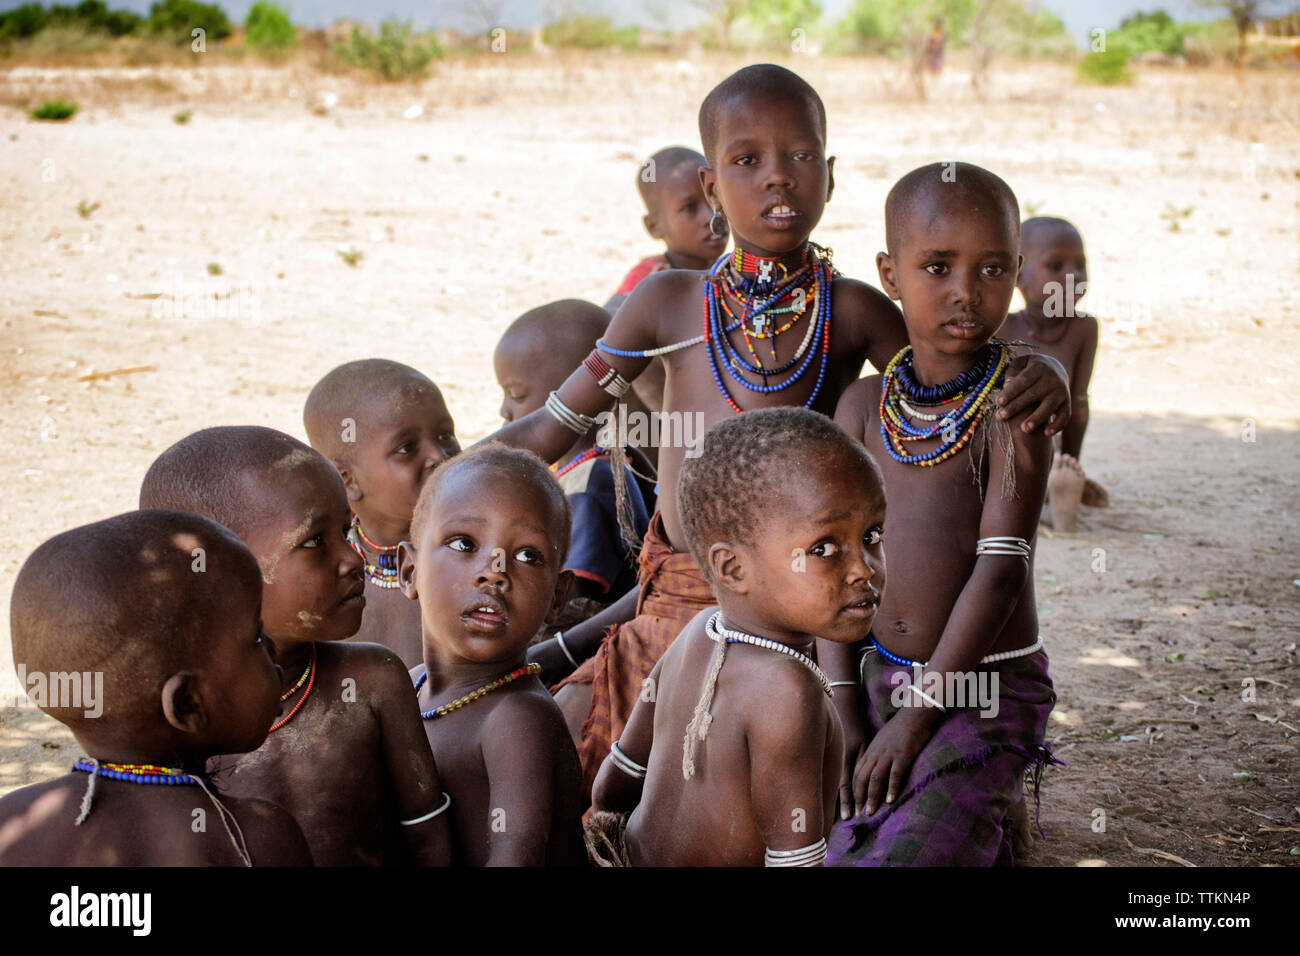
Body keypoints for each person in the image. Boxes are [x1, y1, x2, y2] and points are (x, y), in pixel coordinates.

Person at [487, 63, 1071, 801]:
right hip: (675, 596)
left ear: (828, 176)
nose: (777, 179)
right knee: (555, 748)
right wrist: (451, 481)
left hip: (801, 608)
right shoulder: (664, 303)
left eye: (799, 158)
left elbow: (951, 377)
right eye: (746, 160)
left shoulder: (854, 310)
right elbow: (557, 425)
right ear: (708, 184)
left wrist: (1039, 366)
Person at [828, 162, 1060, 866]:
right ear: (890, 275)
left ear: (1016, 272)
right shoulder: (864, 409)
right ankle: (990, 823)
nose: (966, 292)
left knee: (910, 855)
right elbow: (834, 564)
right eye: (937, 266)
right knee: (829, 841)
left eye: (993, 269)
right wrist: (842, 712)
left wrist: (918, 720)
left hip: (984, 685)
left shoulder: (1013, 407)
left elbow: (999, 575)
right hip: (875, 675)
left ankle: (984, 804)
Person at [139, 426, 453, 866]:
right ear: (212, 573)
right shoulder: (178, 714)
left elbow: (428, 837)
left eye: (347, 531)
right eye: (314, 541)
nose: (351, 559)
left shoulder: (373, 679)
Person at [590, 408, 885, 866]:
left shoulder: (696, 632)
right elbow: (795, 861)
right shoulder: (789, 691)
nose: (864, 568)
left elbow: (614, 783)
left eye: (872, 535)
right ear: (732, 568)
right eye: (823, 548)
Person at [0, 510, 312, 866]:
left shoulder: (13, 824)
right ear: (188, 705)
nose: (271, 647)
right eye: (255, 637)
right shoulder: (257, 837)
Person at [398, 444, 585, 865]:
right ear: (410, 573)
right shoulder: (410, 687)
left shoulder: (517, 719)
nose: (495, 571)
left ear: (558, 597)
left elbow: (514, 856)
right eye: (464, 543)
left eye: (527, 556)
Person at [304, 359, 461, 668]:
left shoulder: (472, 558)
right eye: (406, 448)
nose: (439, 457)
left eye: (445, 435)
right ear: (347, 481)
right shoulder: (320, 577)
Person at [494, 299, 651, 605]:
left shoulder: (589, 486)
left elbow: (573, 600)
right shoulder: (607, 461)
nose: (504, 410)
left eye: (515, 395)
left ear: (579, 392)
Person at [1001, 215, 1107, 531]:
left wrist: (1071, 465)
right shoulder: (1003, 327)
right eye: (1056, 266)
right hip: (1003, 443)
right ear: (1018, 274)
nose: (1072, 275)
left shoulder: (1084, 328)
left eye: (1080, 265)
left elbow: (1078, 404)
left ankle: (1058, 491)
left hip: (1050, 445)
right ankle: (1051, 502)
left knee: (1052, 470)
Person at [605, 146, 729, 413]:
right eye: (689, 208)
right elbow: (610, 318)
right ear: (654, 226)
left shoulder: (733, 269)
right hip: (665, 416)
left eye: (715, 198)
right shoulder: (652, 275)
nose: (711, 216)